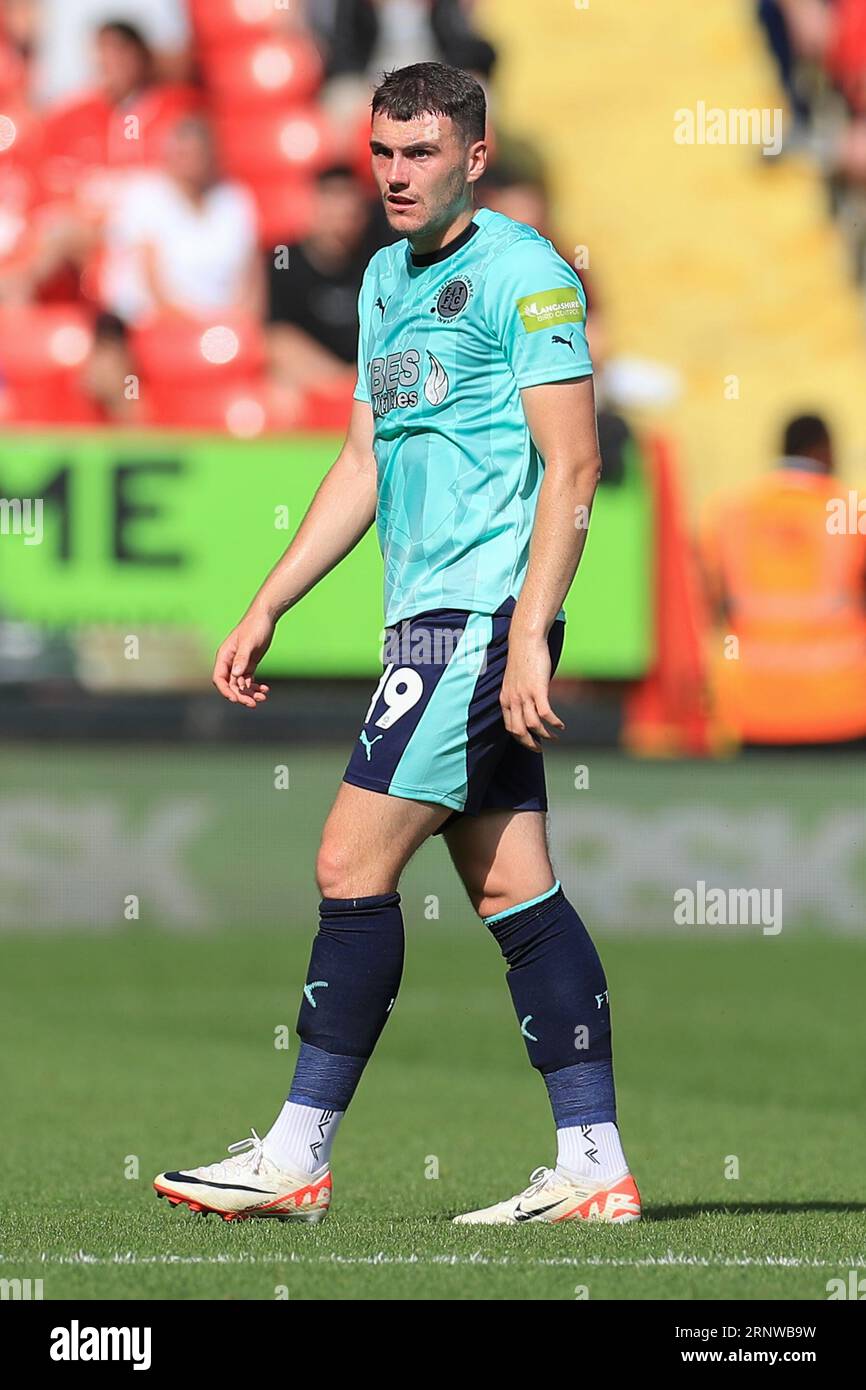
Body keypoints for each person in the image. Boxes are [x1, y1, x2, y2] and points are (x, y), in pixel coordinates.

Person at [153, 62, 641, 1228]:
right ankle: (593, 1165)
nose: (394, 174)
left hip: (477, 622)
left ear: (474, 153)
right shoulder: (381, 279)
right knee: (516, 890)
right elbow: (365, 462)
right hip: (426, 622)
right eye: (382, 152)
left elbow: (572, 465)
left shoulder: (526, 274)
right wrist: (269, 600)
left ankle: (295, 1154)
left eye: (419, 154)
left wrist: (528, 633)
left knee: (346, 866)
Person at [701, 413, 866, 748]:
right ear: (824, 450)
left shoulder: (732, 512)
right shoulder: (852, 511)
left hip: (753, 707)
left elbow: (710, 600)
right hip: (841, 708)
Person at [266, 164, 378, 392]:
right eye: (332, 207)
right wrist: (339, 383)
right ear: (314, 207)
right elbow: (276, 337)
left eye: (350, 211)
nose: (341, 221)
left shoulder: (380, 260)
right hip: (308, 382)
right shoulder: (283, 256)